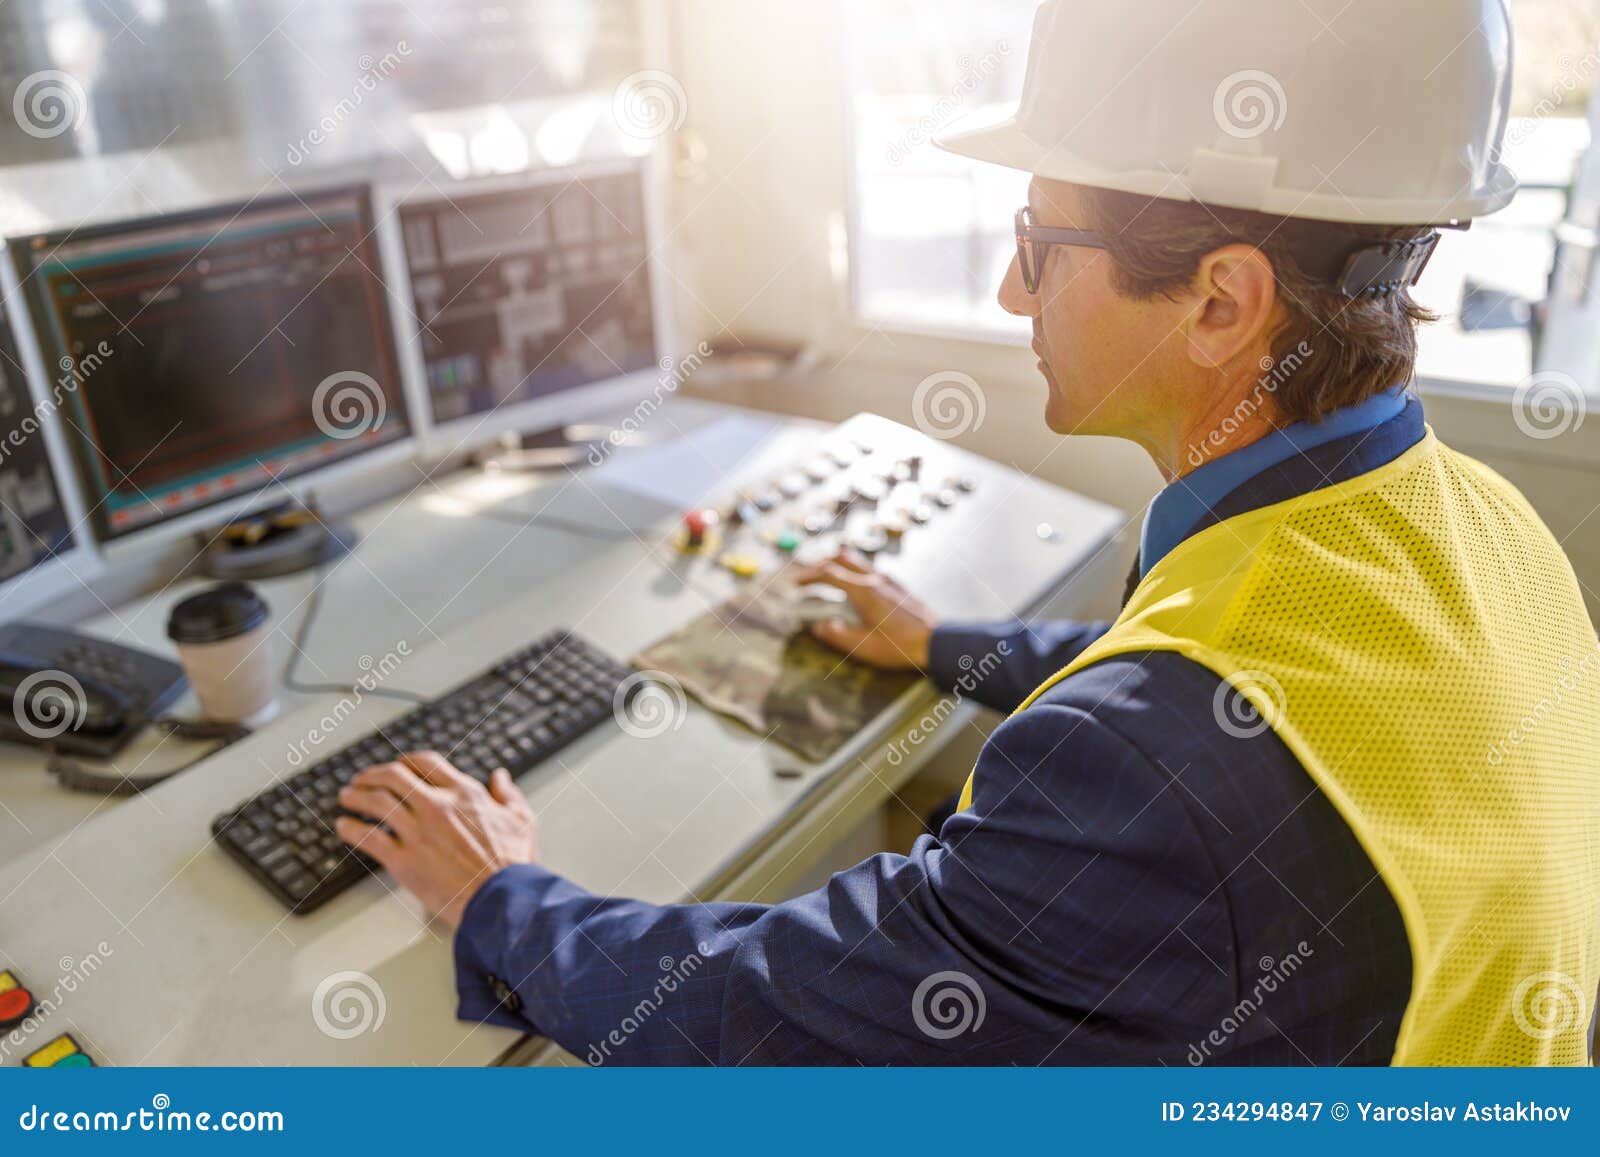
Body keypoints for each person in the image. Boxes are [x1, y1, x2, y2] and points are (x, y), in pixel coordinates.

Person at [336, 0, 1600, 1065]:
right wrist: (947, 643)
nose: (1011, 292)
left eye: (1040, 245)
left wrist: (501, 897)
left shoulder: (1147, 769)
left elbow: (786, 1001)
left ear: (1221, 299)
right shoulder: (1480, 526)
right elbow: (1244, 688)